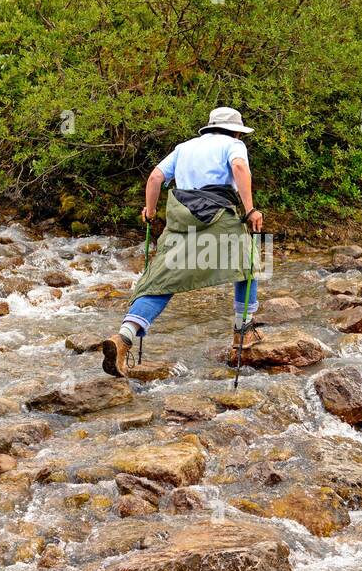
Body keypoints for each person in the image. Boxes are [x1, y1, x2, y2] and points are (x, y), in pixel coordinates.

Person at [102, 106, 265, 377]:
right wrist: (249, 210)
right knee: (248, 262)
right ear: (236, 131)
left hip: (180, 220)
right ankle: (243, 331)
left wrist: (150, 211)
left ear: (209, 127)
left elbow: (156, 176)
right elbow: (238, 167)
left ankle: (124, 337)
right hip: (217, 216)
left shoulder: (184, 147)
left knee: (163, 281)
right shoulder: (233, 145)